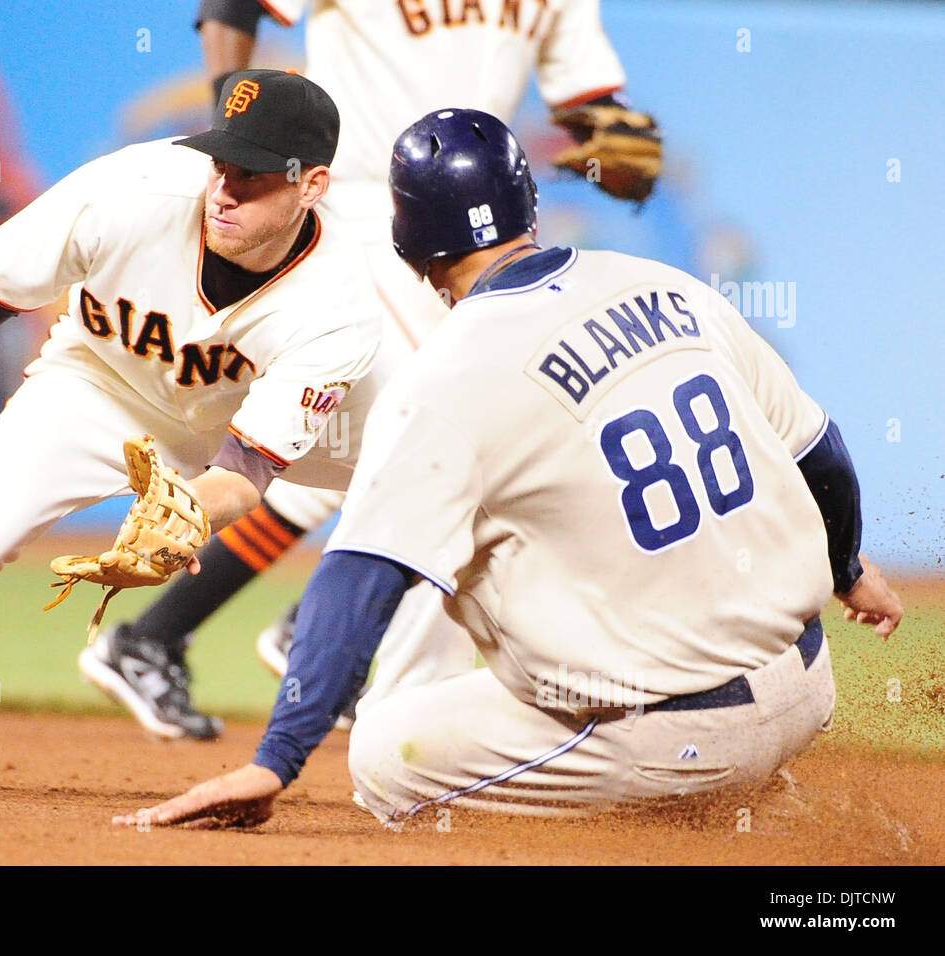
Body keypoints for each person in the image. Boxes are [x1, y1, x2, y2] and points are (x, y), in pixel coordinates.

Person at [113, 108, 903, 828]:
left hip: (678, 736)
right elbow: (818, 450)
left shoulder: (446, 380)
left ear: (408, 237)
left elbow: (359, 578)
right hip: (806, 682)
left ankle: (683, 810)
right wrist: (846, 567)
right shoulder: (666, 285)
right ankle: (743, 788)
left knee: (386, 755)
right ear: (528, 203)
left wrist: (274, 761)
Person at [0, 70, 393, 787]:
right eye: (222, 163)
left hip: (263, 425)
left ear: (311, 186)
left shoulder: (338, 303)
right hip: (98, 387)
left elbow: (246, 472)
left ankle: (429, 711)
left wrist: (185, 514)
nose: (224, 189)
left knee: (427, 486)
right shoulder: (130, 192)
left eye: (252, 176)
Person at [86, 0, 664, 741]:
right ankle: (290, 635)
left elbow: (591, 110)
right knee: (444, 444)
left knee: (394, 444)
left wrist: (606, 152)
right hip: (355, 206)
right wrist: (239, 124)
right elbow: (229, 7)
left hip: (461, 226)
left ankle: (191, 636)